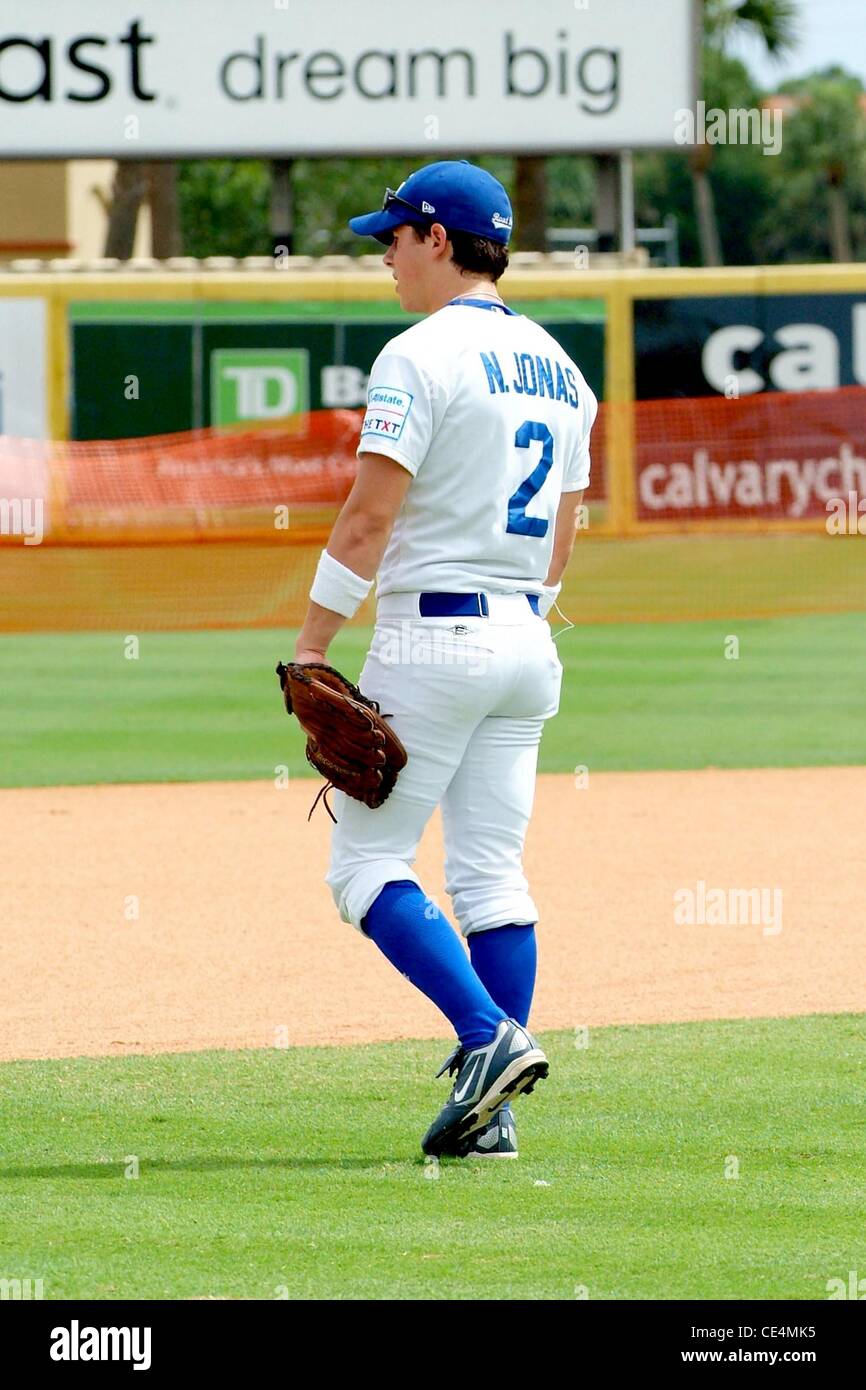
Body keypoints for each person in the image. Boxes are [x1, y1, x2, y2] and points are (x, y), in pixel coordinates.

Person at [293, 159, 597, 1159]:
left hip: (433, 632)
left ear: (436, 238)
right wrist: (525, 619)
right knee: (490, 873)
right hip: (524, 636)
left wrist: (311, 644)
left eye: (392, 237)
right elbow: (562, 540)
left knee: (367, 864)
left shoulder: (419, 355)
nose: (384, 256)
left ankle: (485, 1040)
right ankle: (490, 1118)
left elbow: (368, 519)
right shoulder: (565, 371)